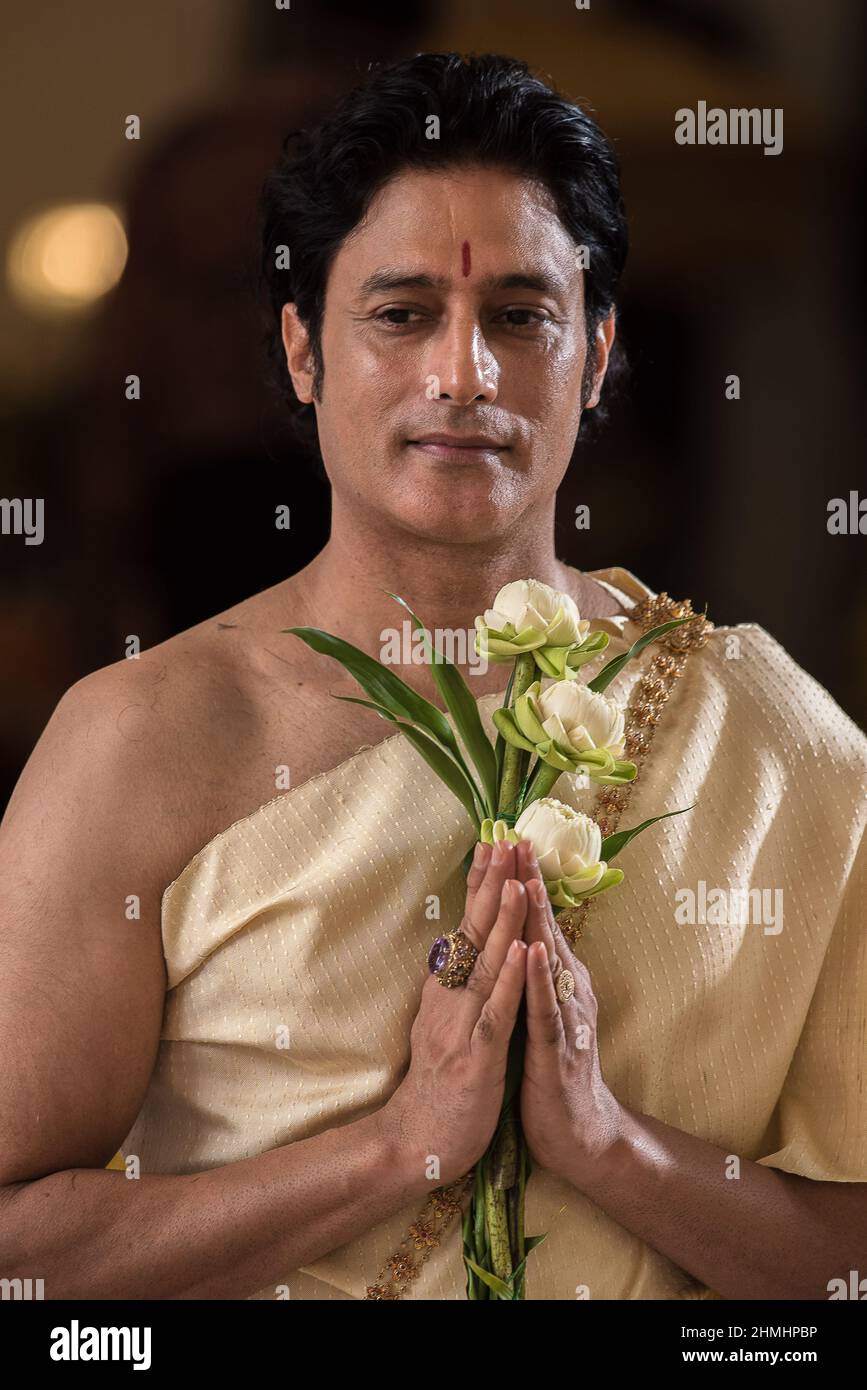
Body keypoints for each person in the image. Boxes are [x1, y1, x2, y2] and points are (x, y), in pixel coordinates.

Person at [1, 52, 864, 1302]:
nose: (464, 375)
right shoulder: (142, 736)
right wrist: (398, 1149)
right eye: (403, 314)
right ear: (303, 351)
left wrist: (610, 1147)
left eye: (521, 315)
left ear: (599, 351)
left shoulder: (773, 738)